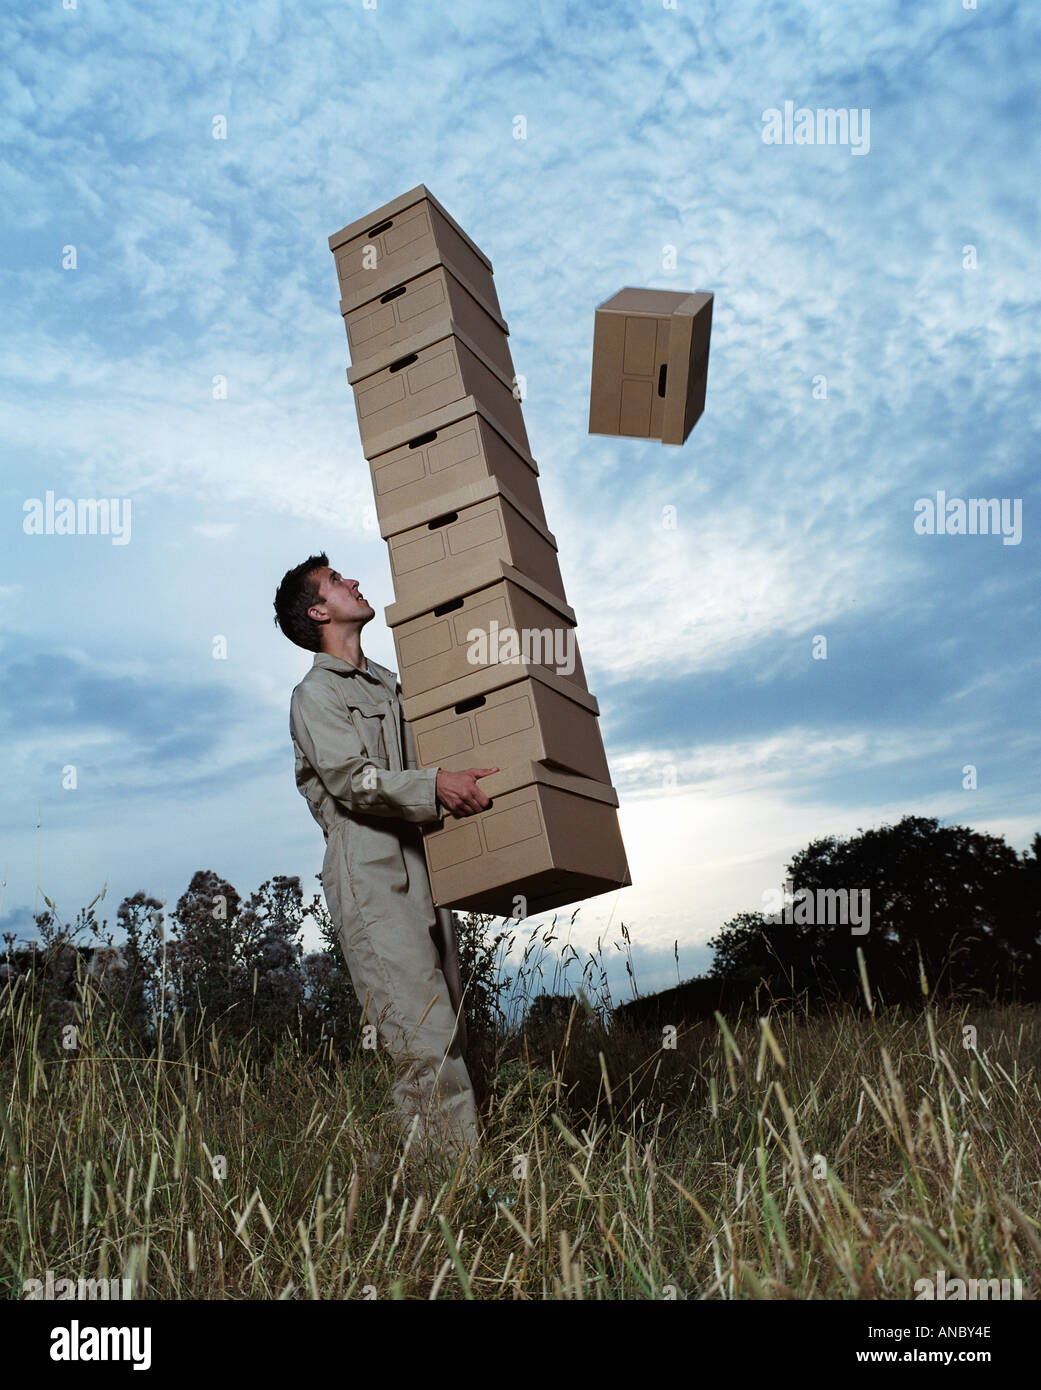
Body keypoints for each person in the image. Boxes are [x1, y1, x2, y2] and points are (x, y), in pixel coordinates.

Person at [272, 553, 497, 1178]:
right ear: (319, 612)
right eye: (340, 582)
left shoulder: (390, 685)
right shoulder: (313, 696)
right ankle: (452, 1199)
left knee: (447, 1027)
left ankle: (408, 1182)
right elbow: (353, 780)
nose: (355, 583)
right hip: (370, 873)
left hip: (427, 862)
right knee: (421, 1040)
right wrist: (437, 786)